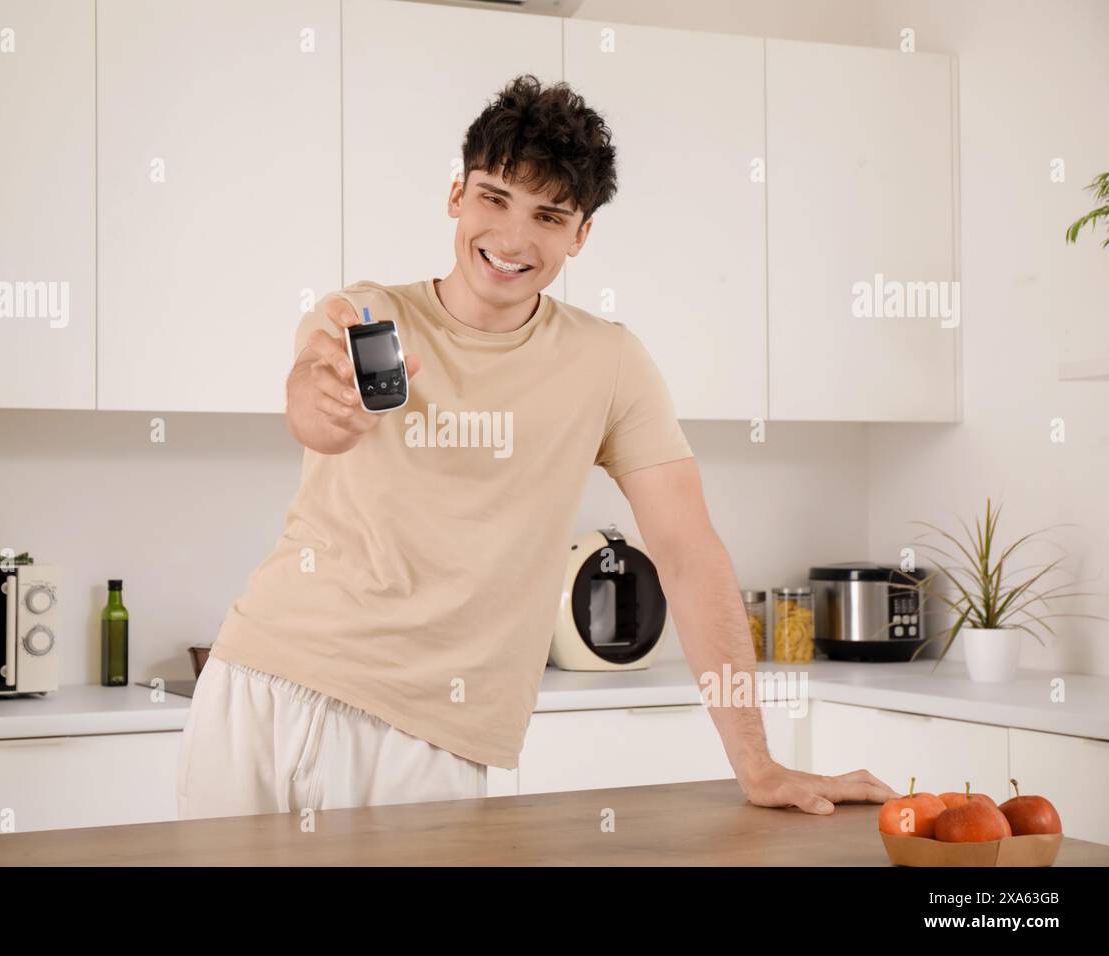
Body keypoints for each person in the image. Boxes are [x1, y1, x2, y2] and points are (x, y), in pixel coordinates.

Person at [177, 73, 897, 820]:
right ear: (456, 195)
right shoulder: (367, 314)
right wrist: (327, 409)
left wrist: (758, 761)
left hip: (430, 738)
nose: (514, 239)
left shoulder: (608, 362)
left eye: (549, 216)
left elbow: (689, 553)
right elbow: (310, 404)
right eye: (494, 198)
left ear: (581, 234)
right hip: (261, 683)